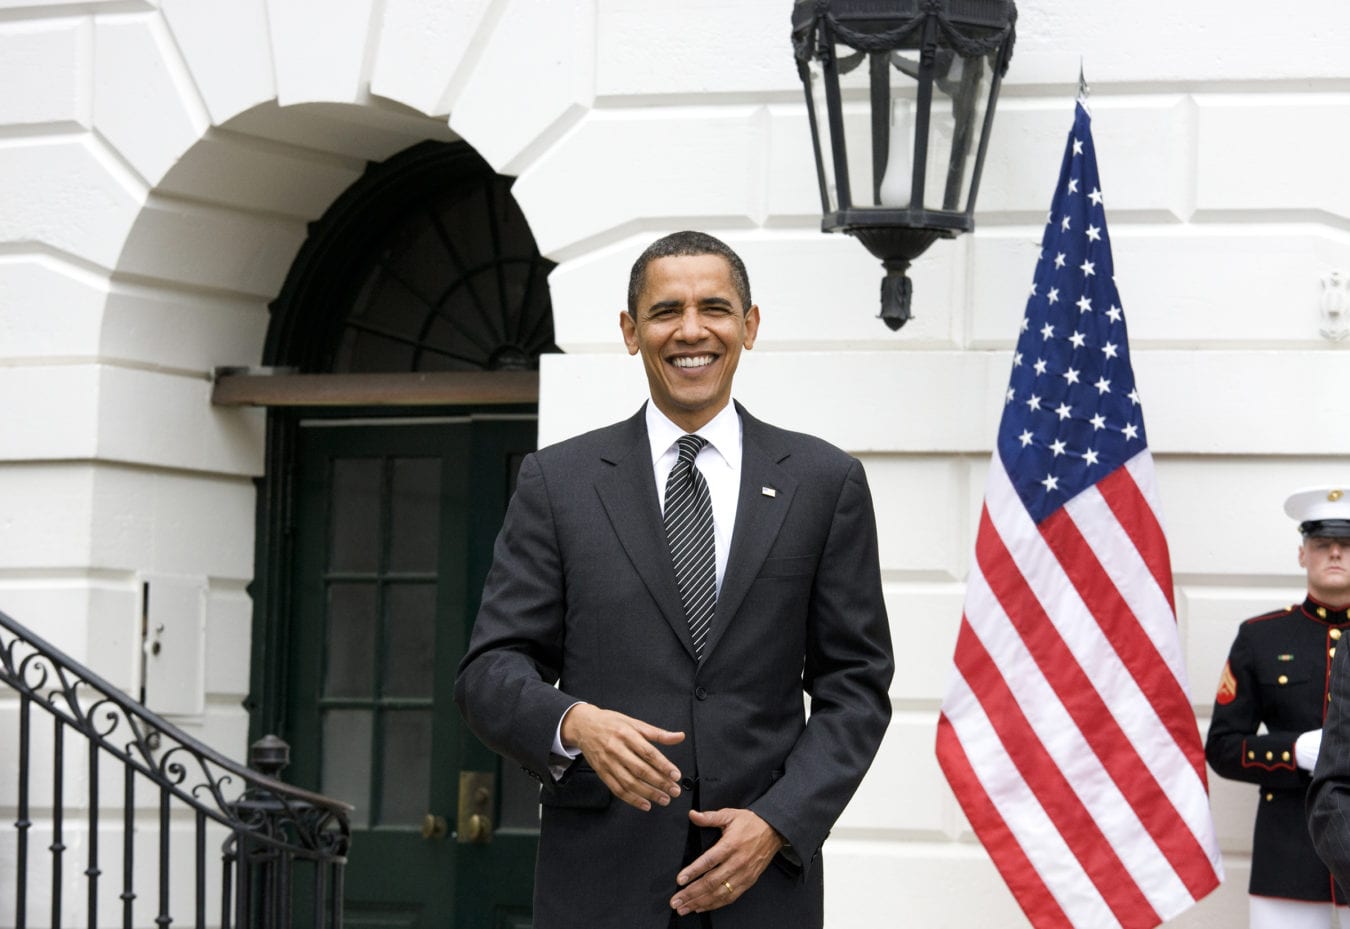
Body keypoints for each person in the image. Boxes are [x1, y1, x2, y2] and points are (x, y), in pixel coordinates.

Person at [453, 230, 895, 929]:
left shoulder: (824, 482)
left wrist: (779, 821)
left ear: (749, 326)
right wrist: (573, 721)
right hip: (599, 886)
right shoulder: (557, 483)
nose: (692, 330)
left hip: (762, 888)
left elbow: (856, 689)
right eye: (666, 311)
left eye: (715, 307)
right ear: (631, 332)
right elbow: (489, 672)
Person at [1206, 485, 1350, 928]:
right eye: (1322, 544)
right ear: (1302, 554)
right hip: (1288, 856)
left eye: (1346, 545)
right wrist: (1292, 751)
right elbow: (1224, 747)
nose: (1334, 555)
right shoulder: (1261, 637)